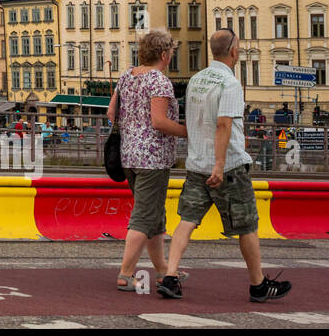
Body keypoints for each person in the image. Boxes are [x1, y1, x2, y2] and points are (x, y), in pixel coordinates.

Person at [159, 29, 291, 303]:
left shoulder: (195, 80)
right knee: (246, 226)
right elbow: (224, 125)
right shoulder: (229, 84)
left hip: (197, 163)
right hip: (227, 167)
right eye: (239, 47)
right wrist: (219, 165)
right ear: (233, 51)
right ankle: (258, 284)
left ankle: (170, 276)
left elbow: (194, 122)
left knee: (187, 220)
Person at [108, 30, 186, 292]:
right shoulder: (159, 81)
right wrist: (188, 131)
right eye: (171, 52)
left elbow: (111, 113)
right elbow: (159, 121)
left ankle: (163, 269)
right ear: (164, 55)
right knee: (143, 217)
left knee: (154, 217)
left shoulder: (126, 77)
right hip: (152, 159)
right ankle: (126, 273)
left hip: (129, 156)